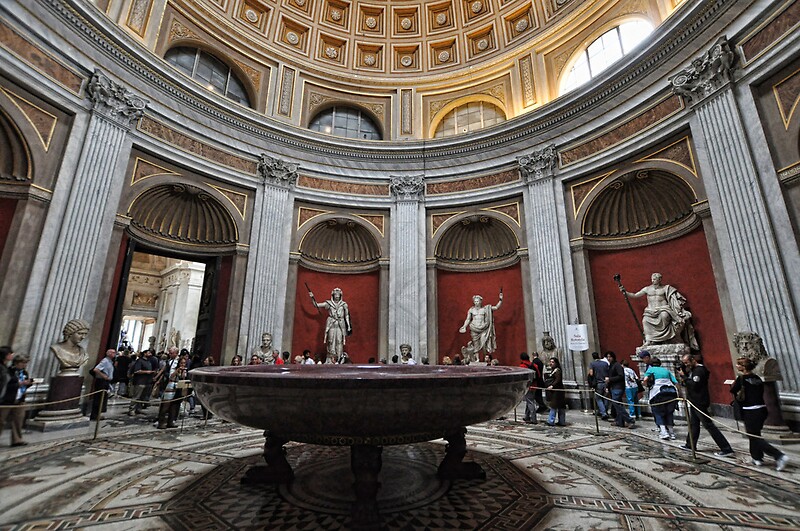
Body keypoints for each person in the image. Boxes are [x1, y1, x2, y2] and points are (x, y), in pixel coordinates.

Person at [730, 357, 789, 471]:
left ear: (743, 367)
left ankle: (779, 456)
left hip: (750, 411)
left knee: (754, 437)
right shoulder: (757, 378)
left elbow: (733, 391)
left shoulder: (741, 379)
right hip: (762, 410)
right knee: (754, 434)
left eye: (738, 365)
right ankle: (757, 457)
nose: (737, 366)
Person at [621, 273, 698, 348]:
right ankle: (649, 340)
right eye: (652, 279)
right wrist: (625, 292)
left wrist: (678, 309)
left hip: (663, 308)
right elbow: (635, 295)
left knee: (664, 316)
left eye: (655, 279)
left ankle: (667, 338)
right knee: (645, 321)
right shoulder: (647, 289)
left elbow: (674, 298)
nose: (652, 280)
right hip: (650, 311)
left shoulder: (666, 288)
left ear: (660, 279)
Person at [679, 353, 734, 456]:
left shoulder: (699, 371)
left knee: (708, 425)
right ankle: (690, 444)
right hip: (694, 400)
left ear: (693, 360)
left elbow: (695, 385)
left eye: (687, 363)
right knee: (694, 424)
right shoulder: (693, 371)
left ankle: (726, 448)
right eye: (684, 363)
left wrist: (684, 377)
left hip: (699, 401)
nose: (686, 365)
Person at [642, 357, 679, 440]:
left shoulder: (650, 370)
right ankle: (672, 433)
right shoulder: (666, 371)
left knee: (658, 412)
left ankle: (664, 432)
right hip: (671, 393)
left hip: (657, 393)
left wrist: (645, 385)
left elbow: (645, 381)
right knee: (669, 413)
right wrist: (680, 395)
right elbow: (676, 382)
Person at [1, 353, 33, 446]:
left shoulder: (24, 373)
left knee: (18, 421)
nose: (24, 365)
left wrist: (28, 383)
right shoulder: (8, 371)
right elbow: (5, 385)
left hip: (20, 399)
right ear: (16, 362)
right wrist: (19, 384)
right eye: (23, 363)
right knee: (1, 421)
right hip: (7, 399)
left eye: (26, 363)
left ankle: (17, 439)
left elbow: (24, 385)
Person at [459, 293, 503, 358]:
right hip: (474, 328)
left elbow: (496, 307)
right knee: (476, 344)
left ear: (480, 301)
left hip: (483, 328)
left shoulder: (485, 309)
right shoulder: (471, 310)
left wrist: (500, 299)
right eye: (475, 301)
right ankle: (477, 359)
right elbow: (468, 319)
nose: (476, 303)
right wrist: (464, 326)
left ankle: (485, 357)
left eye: (478, 301)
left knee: (484, 343)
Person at [605, 351, 635, 428]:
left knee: (617, 404)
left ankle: (629, 420)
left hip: (618, 387)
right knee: (618, 404)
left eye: (610, 357)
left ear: (613, 357)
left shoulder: (617, 365)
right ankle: (619, 421)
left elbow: (621, 376)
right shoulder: (611, 365)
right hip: (613, 387)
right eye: (607, 357)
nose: (608, 358)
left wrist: (610, 379)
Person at [128, 349, 156, 416]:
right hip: (140, 381)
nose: (150, 354)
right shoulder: (140, 361)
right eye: (148, 353)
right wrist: (147, 372)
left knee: (142, 397)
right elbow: (137, 371)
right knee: (136, 396)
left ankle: (138, 408)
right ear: (144, 353)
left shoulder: (148, 362)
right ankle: (132, 409)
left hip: (147, 381)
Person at [90, 349, 115, 420]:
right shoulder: (105, 361)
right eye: (113, 352)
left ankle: (98, 414)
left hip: (106, 382)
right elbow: (96, 369)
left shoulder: (110, 362)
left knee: (102, 398)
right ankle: (94, 415)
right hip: (101, 382)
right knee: (98, 398)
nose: (114, 354)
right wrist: (103, 376)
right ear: (108, 353)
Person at [587, 351, 610, 420]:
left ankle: (603, 413)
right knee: (605, 398)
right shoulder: (605, 363)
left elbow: (591, 373)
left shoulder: (592, 364)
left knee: (598, 399)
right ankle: (605, 410)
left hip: (598, 383)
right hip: (606, 382)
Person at [545, 357, 566, 426]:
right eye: (550, 362)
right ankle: (561, 421)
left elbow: (558, 380)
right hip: (557, 391)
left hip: (558, 391)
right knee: (560, 406)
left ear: (556, 363)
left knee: (554, 406)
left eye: (552, 362)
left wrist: (552, 386)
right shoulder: (554, 370)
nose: (551, 363)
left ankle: (551, 421)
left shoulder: (557, 371)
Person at [519, 353, 538, 424]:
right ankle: (527, 416)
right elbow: (538, 375)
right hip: (535, 385)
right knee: (529, 401)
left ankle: (534, 419)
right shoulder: (534, 365)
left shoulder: (522, 366)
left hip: (527, 386)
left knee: (530, 402)